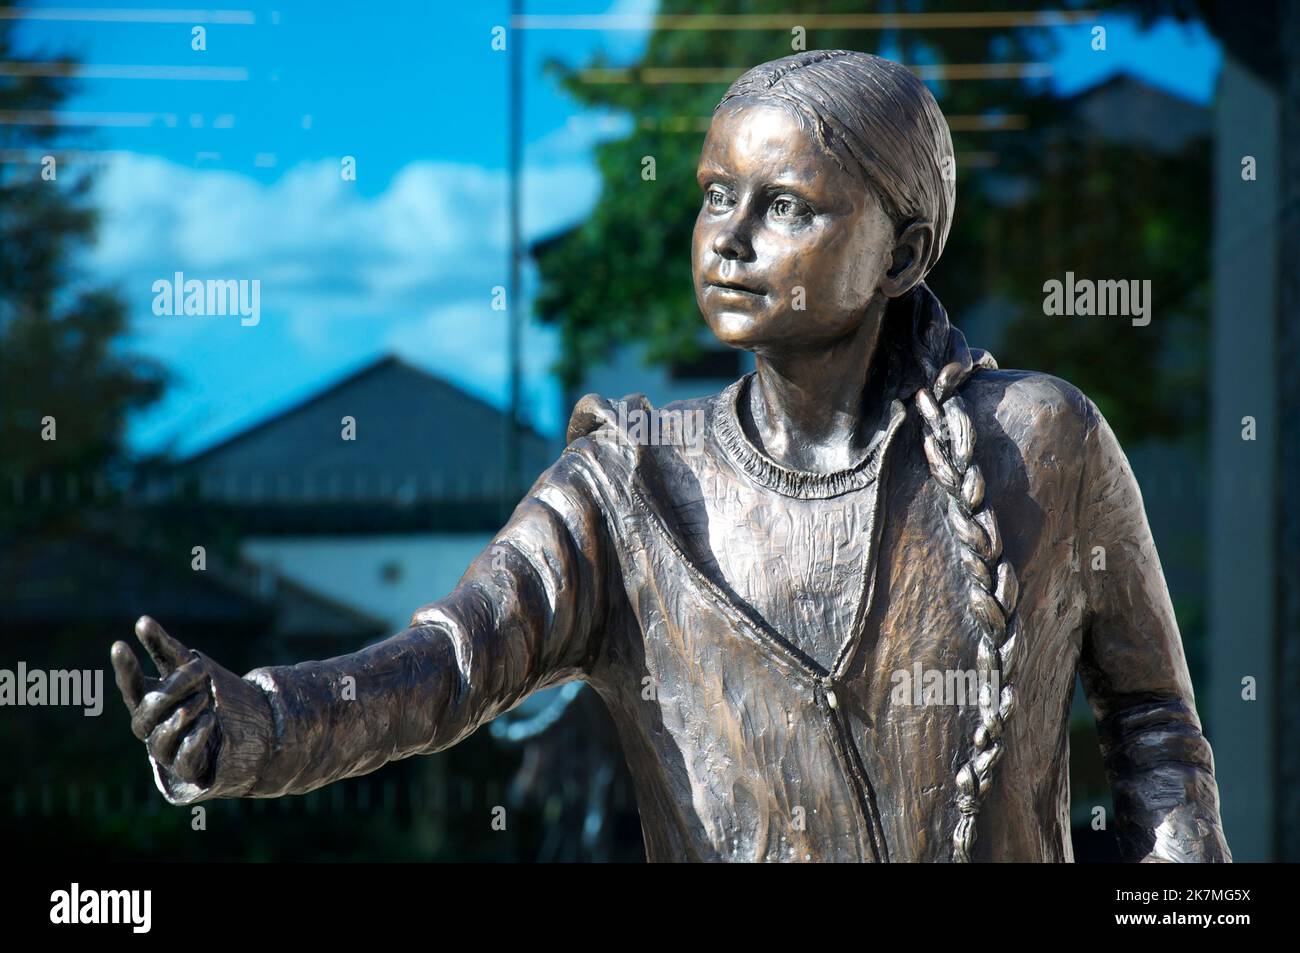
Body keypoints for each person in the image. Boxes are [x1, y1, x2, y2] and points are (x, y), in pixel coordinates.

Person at [112, 50, 1230, 862]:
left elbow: (1155, 732)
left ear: (905, 251)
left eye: (786, 205)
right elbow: (448, 664)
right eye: (713, 196)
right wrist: (261, 723)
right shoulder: (628, 483)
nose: (728, 239)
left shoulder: (1041, 443)